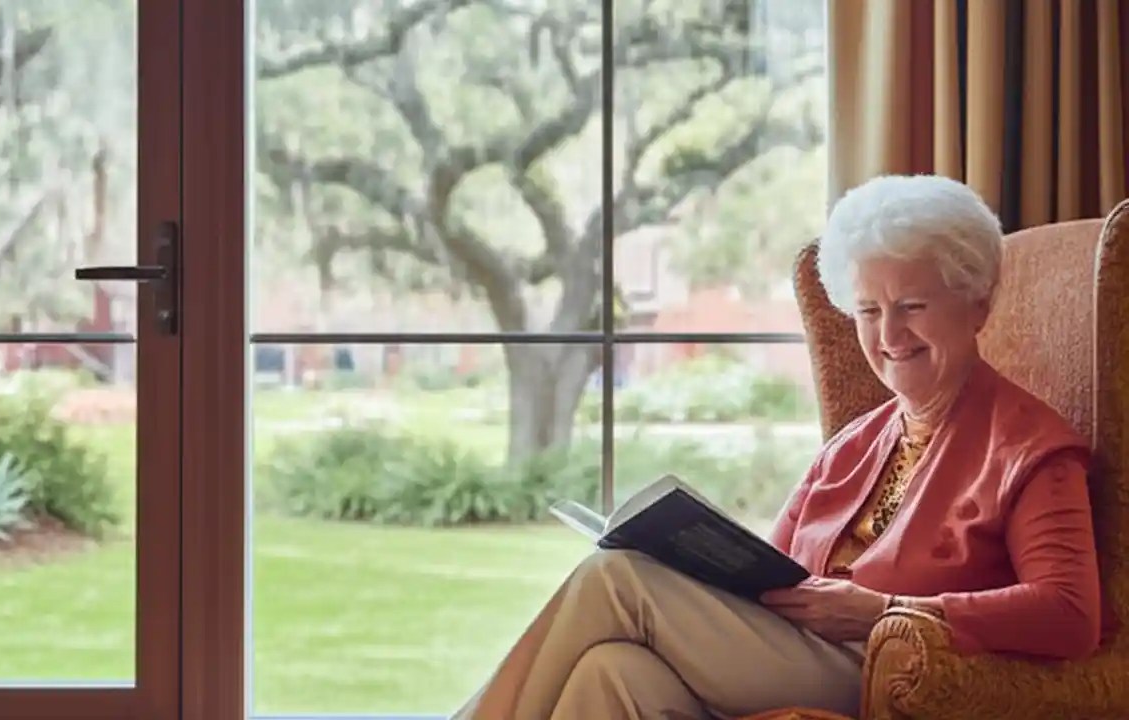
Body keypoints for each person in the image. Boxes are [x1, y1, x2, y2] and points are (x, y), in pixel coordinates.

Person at [451, 175, 1107, 720]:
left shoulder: (1030, 447)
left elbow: (1071, 614)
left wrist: (887, 610)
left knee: (615, 578)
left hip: (886, 664)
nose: (889, 334)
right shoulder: (854, 444)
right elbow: (774, 566)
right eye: (869, 312)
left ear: (977, 305)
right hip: (792, 648)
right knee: (610, 673)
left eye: (912, 305)